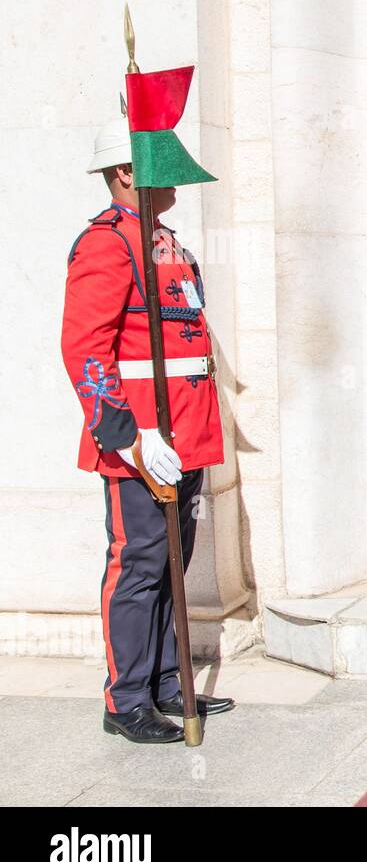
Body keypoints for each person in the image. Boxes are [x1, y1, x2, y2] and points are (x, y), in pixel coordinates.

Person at [62, 115, 233, 744]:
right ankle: (126, 699)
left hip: (183, 431)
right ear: (126, 173)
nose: (176, 184)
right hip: (142, 441)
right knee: (137, 566)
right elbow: (85, 349)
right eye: (162, 171)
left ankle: (168, 682)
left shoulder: (163, 240)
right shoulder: (107, 244)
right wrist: (130, 435)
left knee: (171, 561)